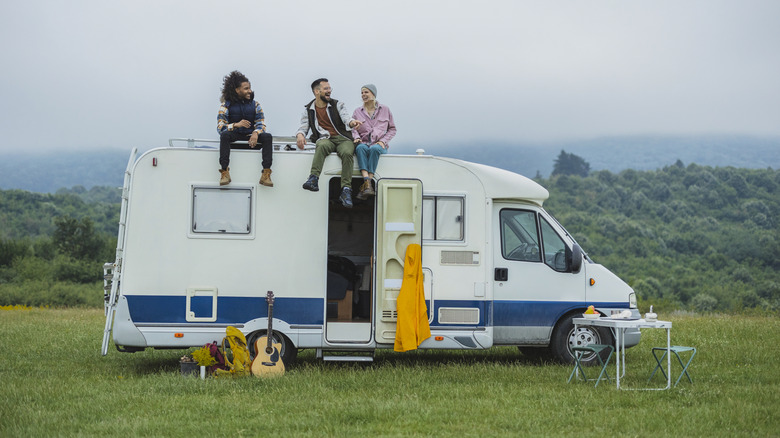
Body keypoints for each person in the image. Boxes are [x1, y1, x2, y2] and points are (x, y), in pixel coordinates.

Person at [296, 78, 362, 208]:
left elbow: (346, 118)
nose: (329, 91)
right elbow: (304, 126)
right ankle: (313, 179)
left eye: (329, 88)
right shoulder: (308, 109)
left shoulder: (338, 104)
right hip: (326, 139)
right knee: (321, 145)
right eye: (326, 89)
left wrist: (352, 123)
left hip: (343, 138)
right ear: (316, 91)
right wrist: (300, 134)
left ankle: (346, 190)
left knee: (348, 152)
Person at [217, 70, 274, 187]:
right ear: (237, 90)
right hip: (235, 137)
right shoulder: (225, 105)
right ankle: (224, 172)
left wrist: (255, 133)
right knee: (224, 136)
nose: (250, 91)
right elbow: (220, 127)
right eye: (246, 88)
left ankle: (266, 174)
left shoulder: (256, 104)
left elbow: (261, 124)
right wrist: (236, 125)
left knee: (267, 137)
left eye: (250, 88)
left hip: (251, 138)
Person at [351, 84, 397, 200]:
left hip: (379, 144)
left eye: (366, 92)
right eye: (362, 93)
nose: (363, 95)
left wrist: (383, 141)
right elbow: (352, 128)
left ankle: (367, 184)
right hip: (364, 143)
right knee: (360, 148)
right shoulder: (357, 111)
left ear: (373, 94)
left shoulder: (385, 110)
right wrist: (356, 137)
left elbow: (392, 129)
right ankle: (368, 183)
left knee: (375, 149)